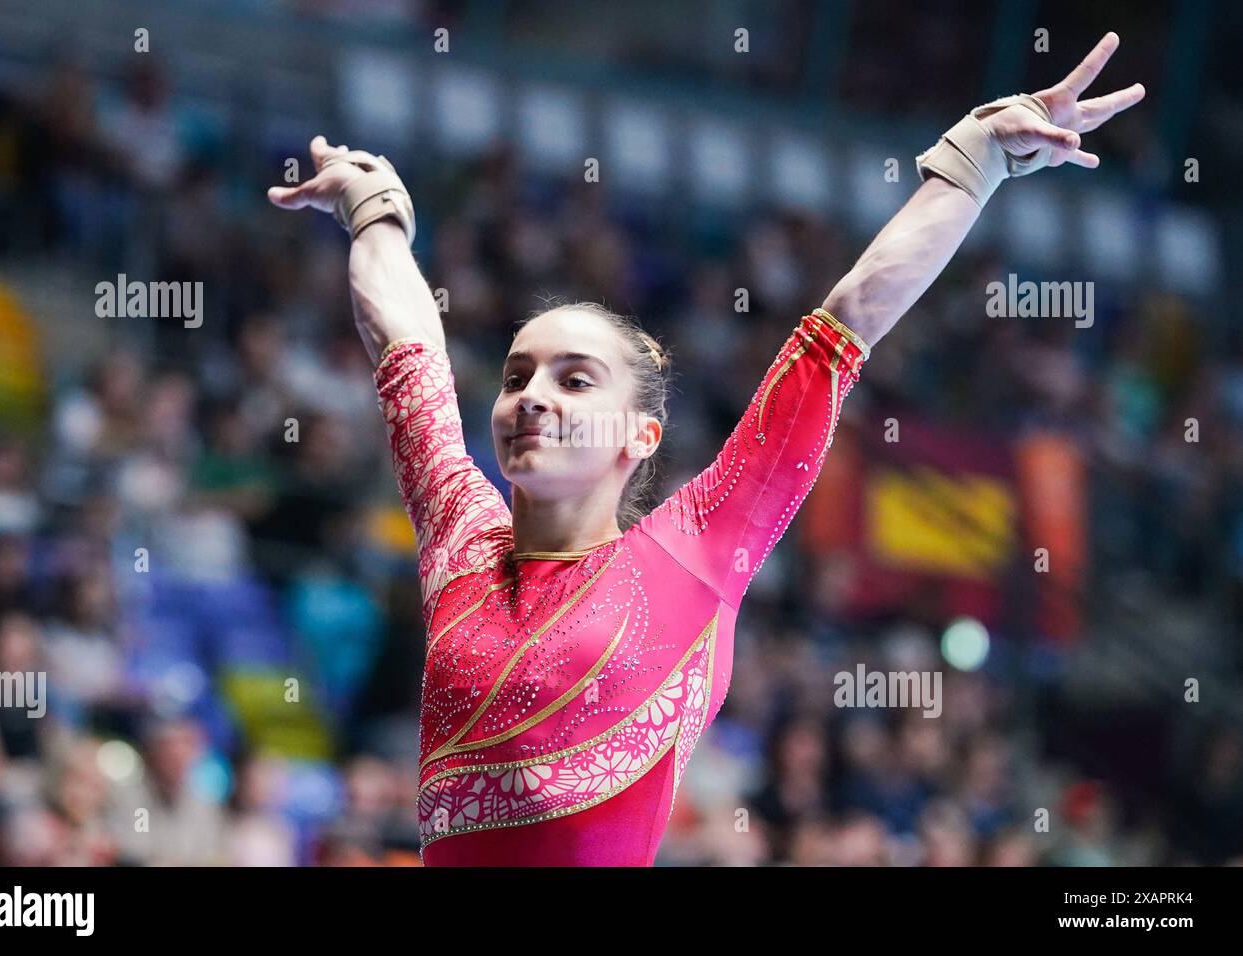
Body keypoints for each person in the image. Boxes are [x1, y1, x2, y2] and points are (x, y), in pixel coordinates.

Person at [267, 34, 1143, 866]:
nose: (531, 396)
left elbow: (847, 322)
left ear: (640, 436)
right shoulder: (462, 538)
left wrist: (977, 156)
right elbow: (408, 352)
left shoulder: (696, 549)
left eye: (574, 380)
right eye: (516, 376)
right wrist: (373, 210)